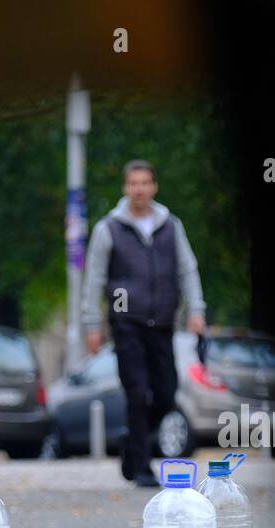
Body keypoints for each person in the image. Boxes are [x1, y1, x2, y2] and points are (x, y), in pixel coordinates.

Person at [82, 159, 206, 487]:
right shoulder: (109, 228)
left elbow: (187, 269)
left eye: (144, 183)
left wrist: (196, 310)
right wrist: (91, 325)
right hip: (127, 324)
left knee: (166, 392)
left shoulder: (171, 226)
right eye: (133, 183)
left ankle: (131, 443)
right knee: (137, 393)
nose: (139, 189)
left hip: (163, 323)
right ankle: (141, 467)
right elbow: (93, 280)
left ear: (154, 186)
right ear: (125, 188)